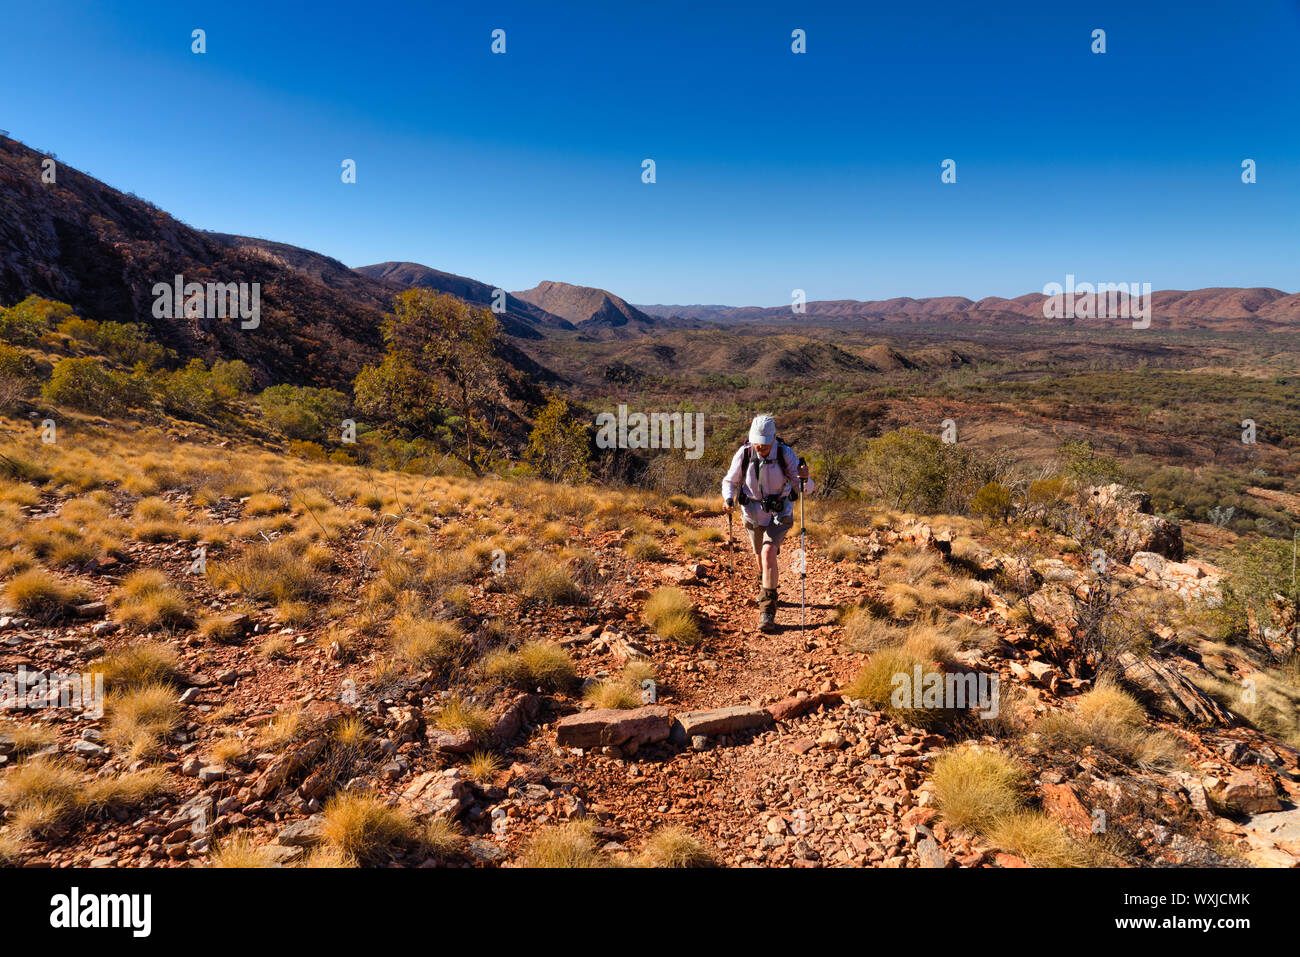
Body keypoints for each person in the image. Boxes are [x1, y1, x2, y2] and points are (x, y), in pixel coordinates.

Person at [721, 414, 812, 632]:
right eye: (757, 442)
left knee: (768, 551)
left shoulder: (785, 454)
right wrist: (728, 499)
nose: (760, 446)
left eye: (764, 443)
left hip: (780, 512)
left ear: (773, 439)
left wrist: (805, 479)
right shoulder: (744, 453)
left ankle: (767, 609)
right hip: (752, 511)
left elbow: (804, 489)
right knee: (759, 554)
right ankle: (765, 584)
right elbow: (730, 481)